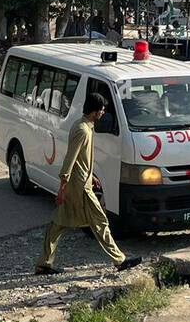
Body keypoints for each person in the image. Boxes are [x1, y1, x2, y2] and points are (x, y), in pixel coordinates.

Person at [35, 92, 143, 275]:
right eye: (101, 110)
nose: (103, 113)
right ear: (95, 111)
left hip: (79, 182)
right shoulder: (82, 130)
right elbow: (70, 158)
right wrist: (63, 186)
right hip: (79, 187)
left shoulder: (83, 125)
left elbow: (81, 158)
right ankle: (120, 260)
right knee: (100, 221)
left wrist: (90, 175)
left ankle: (44, 264)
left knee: (57, 225)